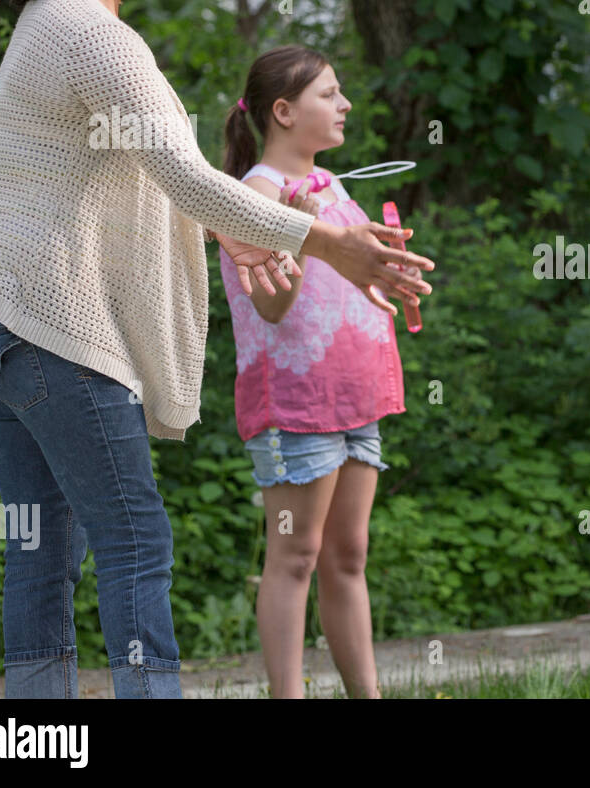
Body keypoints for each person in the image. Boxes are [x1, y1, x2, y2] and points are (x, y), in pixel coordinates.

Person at [0, 0, 432, 699]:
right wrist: (328, 243)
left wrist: (222, 237)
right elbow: (189, 177)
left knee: (43, 551)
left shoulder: (49, 25)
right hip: (45, 325)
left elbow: (114, 190)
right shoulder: (91, 34)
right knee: (136, 541)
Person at [217, 46, 407, 698]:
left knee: (347, 558)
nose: (344, 104)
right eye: (329, 94)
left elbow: (349, 282)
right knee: (294, 556)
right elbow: (272, 305)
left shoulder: (335, 185)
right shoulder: (252, 199)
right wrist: (296, 227)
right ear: (283, 111)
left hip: (355, 396)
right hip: (295, 404)